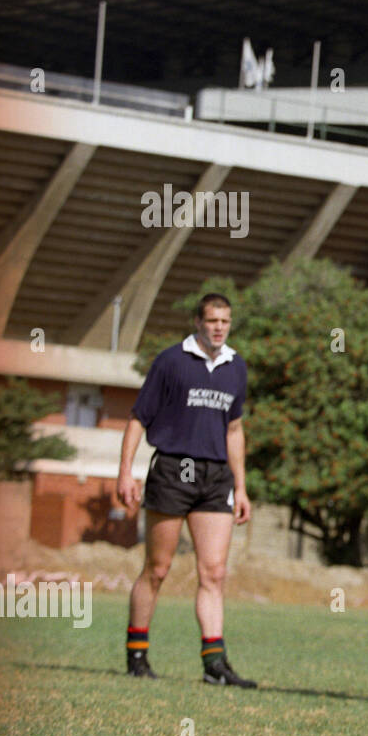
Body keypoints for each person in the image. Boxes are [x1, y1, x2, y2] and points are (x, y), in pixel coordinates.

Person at [117, 293, 255, 687]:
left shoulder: (236, 367)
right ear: (197, 321)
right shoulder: (171, 362)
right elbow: (137, 419)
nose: (218, 327)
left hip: (215, 478)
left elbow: (234, 429)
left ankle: (215, 666)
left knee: (214, 572)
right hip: (174, 470)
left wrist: (241, 487)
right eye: (212, 320)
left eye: (225, 321)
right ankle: (137, 654)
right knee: (157, 569)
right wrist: (125, 473)